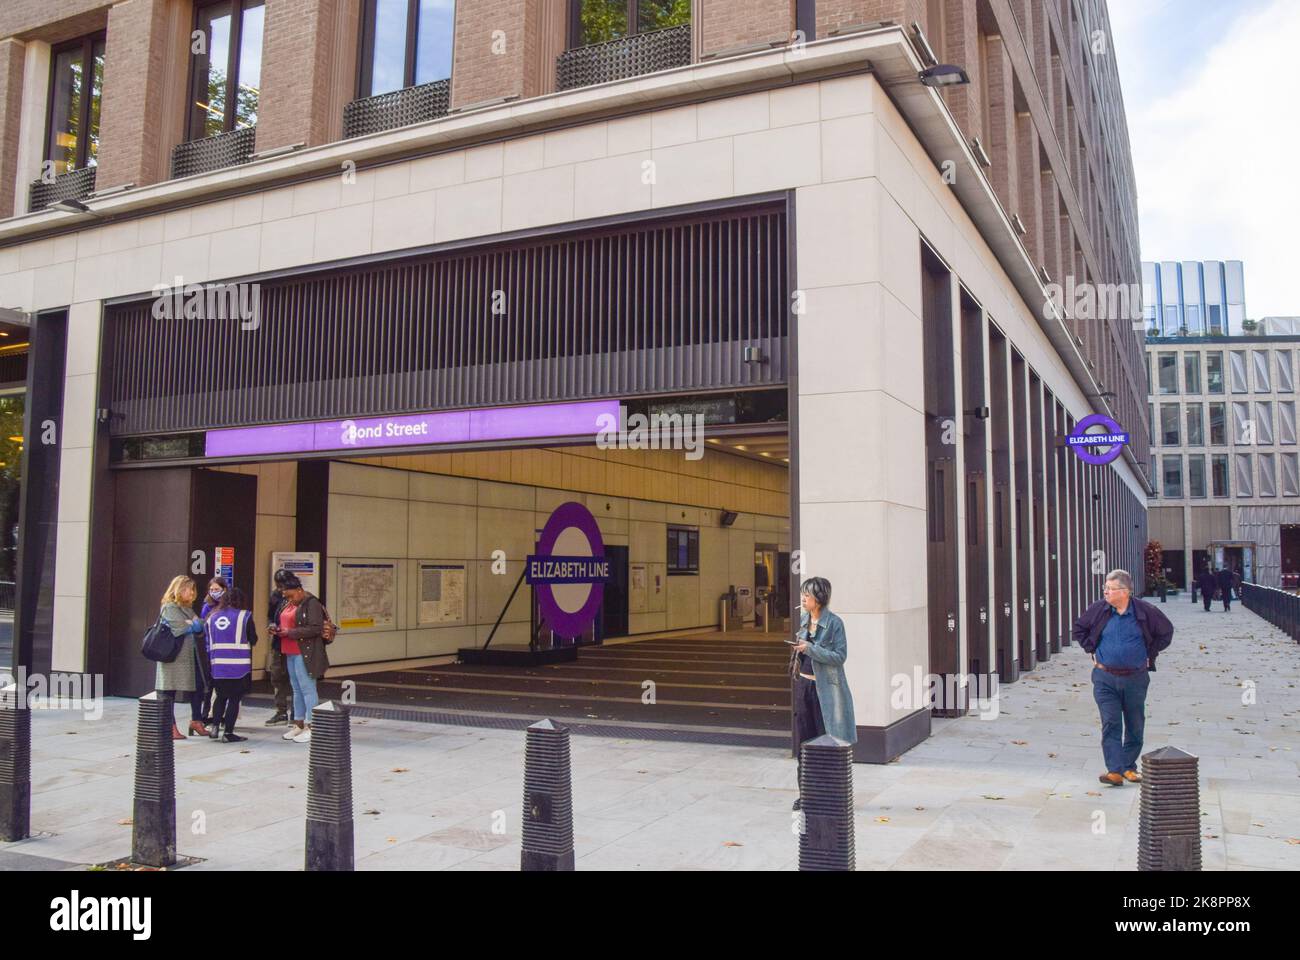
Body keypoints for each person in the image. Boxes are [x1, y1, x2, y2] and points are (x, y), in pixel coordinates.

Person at [1072, 569, 1174, 787]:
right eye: (1105, 588)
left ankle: (1129, 766)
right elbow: (1079, 629)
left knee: (1135, 723)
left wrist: (1150, 653)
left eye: (1110, 589)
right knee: (1111, 722)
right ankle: (1114, 770)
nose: (1106, 592)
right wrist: (1091, 648)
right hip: (1104, 677)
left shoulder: (1146, 611)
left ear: (1125, 591)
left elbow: (1166, 632)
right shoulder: (1098, 609)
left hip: (1135, 678)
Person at [789, 576, 856, 811]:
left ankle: (833, 796)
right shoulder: (804, 619)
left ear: (818, 598)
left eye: (806, 595)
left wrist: (811, 649)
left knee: (829, 742)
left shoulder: (835, 623)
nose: (803, 599)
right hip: (803, 688)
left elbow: (840, 656)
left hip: (826, 690)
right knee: (803, 743)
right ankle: (805, 795)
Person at [270, 575, 329, 744]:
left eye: (290, 595)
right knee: (296, 688)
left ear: (299, 590)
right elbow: (280, 619)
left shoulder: (311, 603)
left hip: (305, 652)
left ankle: (312, 726)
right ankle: (299, 723)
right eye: (285, 596)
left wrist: (290, 633)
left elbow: (315, 628)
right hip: (289, 650)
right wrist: (276, 629)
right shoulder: (288, 603)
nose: (288, 599)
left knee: (307, 688)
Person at [155, 575, 208, 740]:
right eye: (187, 589)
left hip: (189, 657)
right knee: (168, 691)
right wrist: (192, 623)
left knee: (198, 687)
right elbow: (180, 628)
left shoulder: (187, 608)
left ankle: (196, 720)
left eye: (193, 589)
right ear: (178, 589)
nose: (191, 593)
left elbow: (200, 627)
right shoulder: (169, 607)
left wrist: (193, 623)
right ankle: (170, 727)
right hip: (172, 656)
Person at [204, 586, 257, 743]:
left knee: (220, 697)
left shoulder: (211, 617)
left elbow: (207, 641)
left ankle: (214, 728)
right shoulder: (244, 616)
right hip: (239, 666)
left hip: (217, 665)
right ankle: (228, 733)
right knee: (234, 699)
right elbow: (253, 639)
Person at [263, 569, 295, 725]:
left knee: (295, 677)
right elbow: (270, 615)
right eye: (279, 586)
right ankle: (281, 711)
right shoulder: (276, 596)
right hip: (278, 642)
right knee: (277, 676)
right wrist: (271, 625)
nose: (281, 589)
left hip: (295, 643)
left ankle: (297, 712)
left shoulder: (298, 597)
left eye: (283, 586)